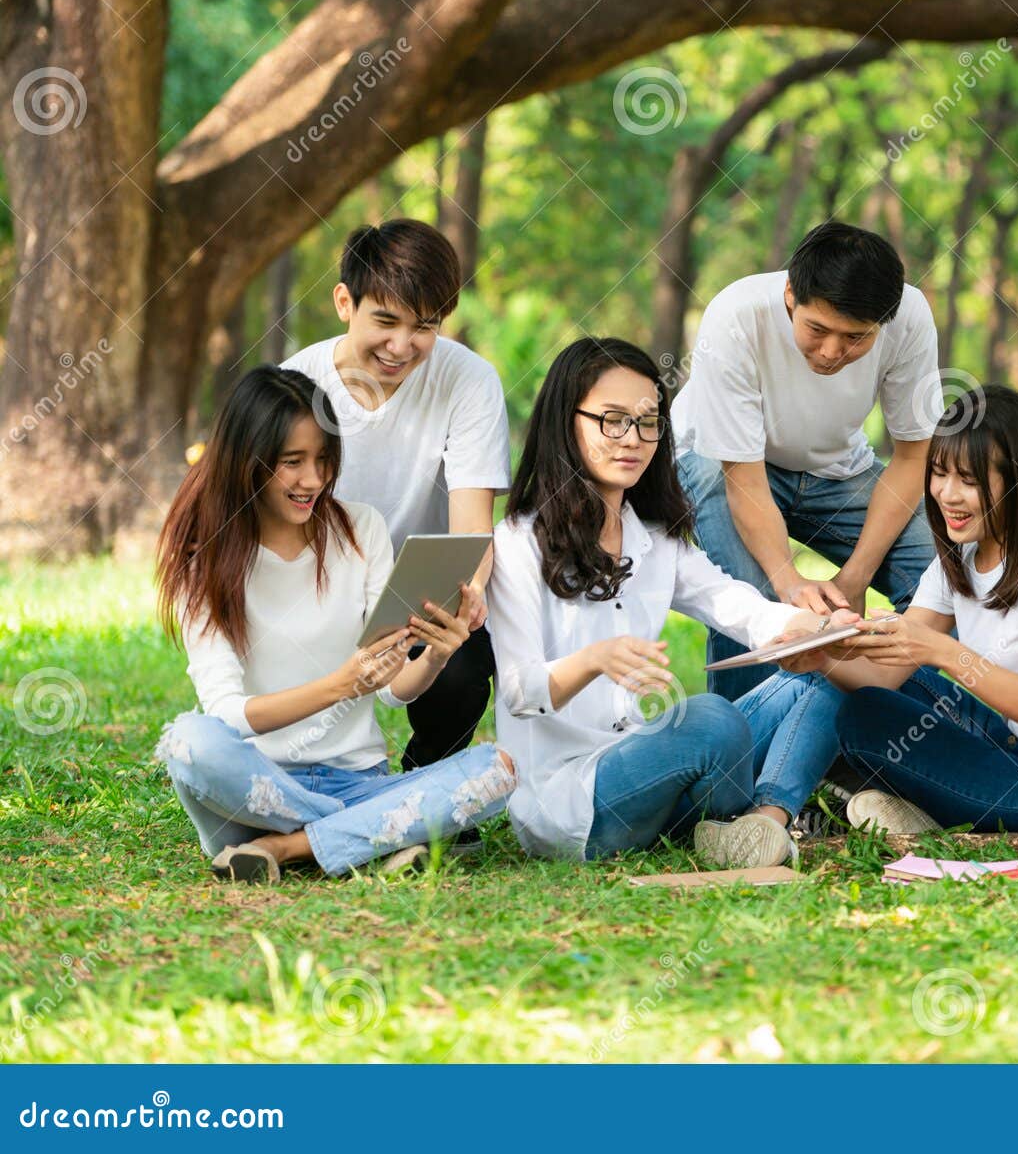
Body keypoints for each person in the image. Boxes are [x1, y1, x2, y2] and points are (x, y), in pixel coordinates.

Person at [488, 337, 856, 869]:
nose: (632, 439)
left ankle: (765, 819)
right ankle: (736, 822)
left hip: (654, 766)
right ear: (565, 423)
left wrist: (818, 626)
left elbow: (737, 605)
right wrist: (594, 660)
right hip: (572, 799)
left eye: (647, 422)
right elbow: (520, 692)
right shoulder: (518, 542)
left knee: (830, 671)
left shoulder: (654, 541)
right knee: (711, 720)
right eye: (612, 420)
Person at [153, 366, 515, 885]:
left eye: (323, 460)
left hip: (355, 780)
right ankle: (378, 835)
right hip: (257, 787)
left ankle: (285, 847)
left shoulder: (362, 528)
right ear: (246, 462)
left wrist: (436, 653)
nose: (314, 480)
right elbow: (228, 717)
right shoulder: (203, 558)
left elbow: (392, 692)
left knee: (495, 772)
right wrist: (339, 686)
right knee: (190, 741)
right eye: (292, 463)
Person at [783, 385, 1018, 839]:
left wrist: (943, 652)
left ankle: (916, 805)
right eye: (938, 474)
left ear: (1017, 479)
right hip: (1017, 750)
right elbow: (884, 675)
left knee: (865, 722)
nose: (946, 495)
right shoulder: (961, 558)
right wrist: (821, 655)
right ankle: (916, 805)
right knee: (879, 696)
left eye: (969, 480)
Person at [674, 220, 941, 701]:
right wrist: (788, 581)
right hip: (722, 463)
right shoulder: (736, 317)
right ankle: (748, 749)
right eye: (817, 329)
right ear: (791, 294)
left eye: (856, 337)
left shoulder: (911, 316)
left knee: (943, 574)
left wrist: (856, 575)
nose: (832, 352)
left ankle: (898, 736)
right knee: (752, 601)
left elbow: (913, 456)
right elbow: (743, 479)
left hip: (837, 469)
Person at [283, 219, 510, 772]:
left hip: (424, 592)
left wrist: (469, 600)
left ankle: (430, 773)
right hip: (322, 582)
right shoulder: (296, 382)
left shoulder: (468, 381)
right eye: (384, 321)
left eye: (424, 326)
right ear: (344, 302)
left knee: (459, 657)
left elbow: (471, 527)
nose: (401, 346)